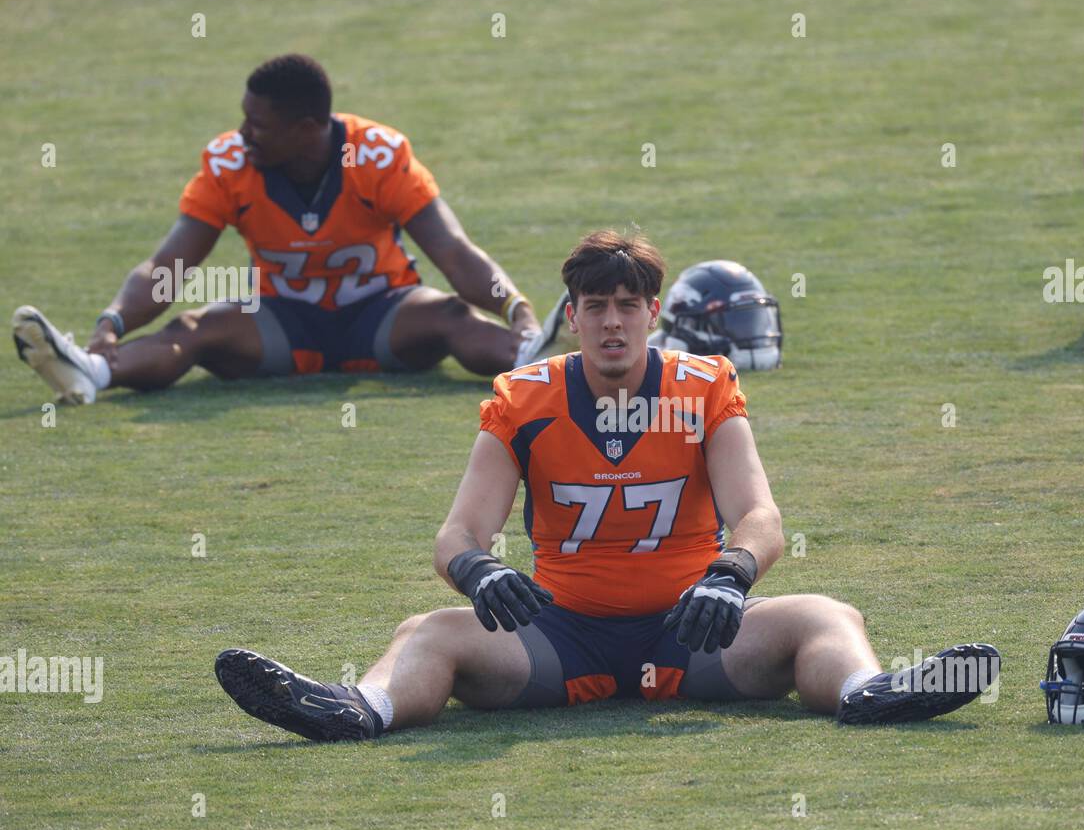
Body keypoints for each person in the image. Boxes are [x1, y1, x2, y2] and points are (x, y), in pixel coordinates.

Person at [213, 229, 999, 741]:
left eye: (628, 306)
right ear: (576, 315)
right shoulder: (524, 399)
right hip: (559, 638)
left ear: (654, 312)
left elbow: (760, 515)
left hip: (694, 631)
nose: (613, 323)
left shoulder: (704, 387)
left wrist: (730, 575)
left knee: (826, 613)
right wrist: (479, 572)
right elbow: (456, 534)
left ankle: (868, 692)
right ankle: (357, 709)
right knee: (431, 630)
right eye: (597, 307)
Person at [13, 53, 540, 405]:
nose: (243, 134)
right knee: (192, 329)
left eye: (258, 125)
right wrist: (112, 321)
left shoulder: (375, 154)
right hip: (280, 319)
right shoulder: (231, 165)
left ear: (306, 129)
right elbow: (170, 266)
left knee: (452, 316)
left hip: (381, 310)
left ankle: (535, 359)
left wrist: (515, 308)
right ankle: (91, 372)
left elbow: (453, 251)